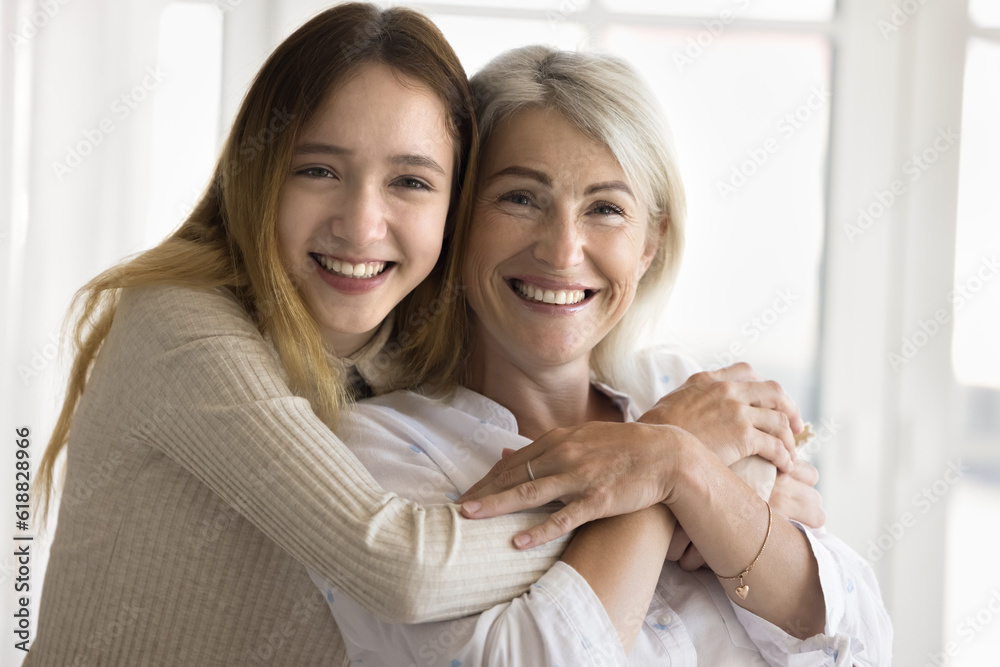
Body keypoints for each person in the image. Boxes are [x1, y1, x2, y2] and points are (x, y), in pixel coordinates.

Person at [27, 6, 577, 666]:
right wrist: (632, 486)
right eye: (319, 170)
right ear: (261, 173)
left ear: (452, 205)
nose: (362, 224)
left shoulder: (406, 351)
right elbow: (403, 568)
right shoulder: (179, 327)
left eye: (410, 181)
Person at [314, 45, 892, 665]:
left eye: (606, 209)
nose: (563, 252)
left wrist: (676, 462)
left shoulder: (685, 386)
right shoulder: (372, 451)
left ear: (650, 244)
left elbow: (859, 639)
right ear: (456, 222)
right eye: (520, 199)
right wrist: (677, 466)